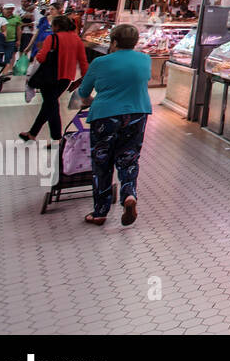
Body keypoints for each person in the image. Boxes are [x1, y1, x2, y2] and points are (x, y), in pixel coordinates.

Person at [76, 24, 153, 227]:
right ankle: (129, 195)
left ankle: (100, 211)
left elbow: (83, 92)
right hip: (137, 113)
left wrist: (90, 101)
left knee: (102, 162)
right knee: (129, 158)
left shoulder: (100, 63)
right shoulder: (145, 59)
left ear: (114, 42)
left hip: (105, 115)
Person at [19, 15, 88, 144]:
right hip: (66, 78)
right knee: (51, 104)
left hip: (48, 77)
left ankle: (51, 136)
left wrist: (33, 64)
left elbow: (42, 57)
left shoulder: (52, 38)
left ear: (57, 26)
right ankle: (40, 134)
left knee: (50, 105)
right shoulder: (77, 40)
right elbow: (83, 62)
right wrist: (84, 79)